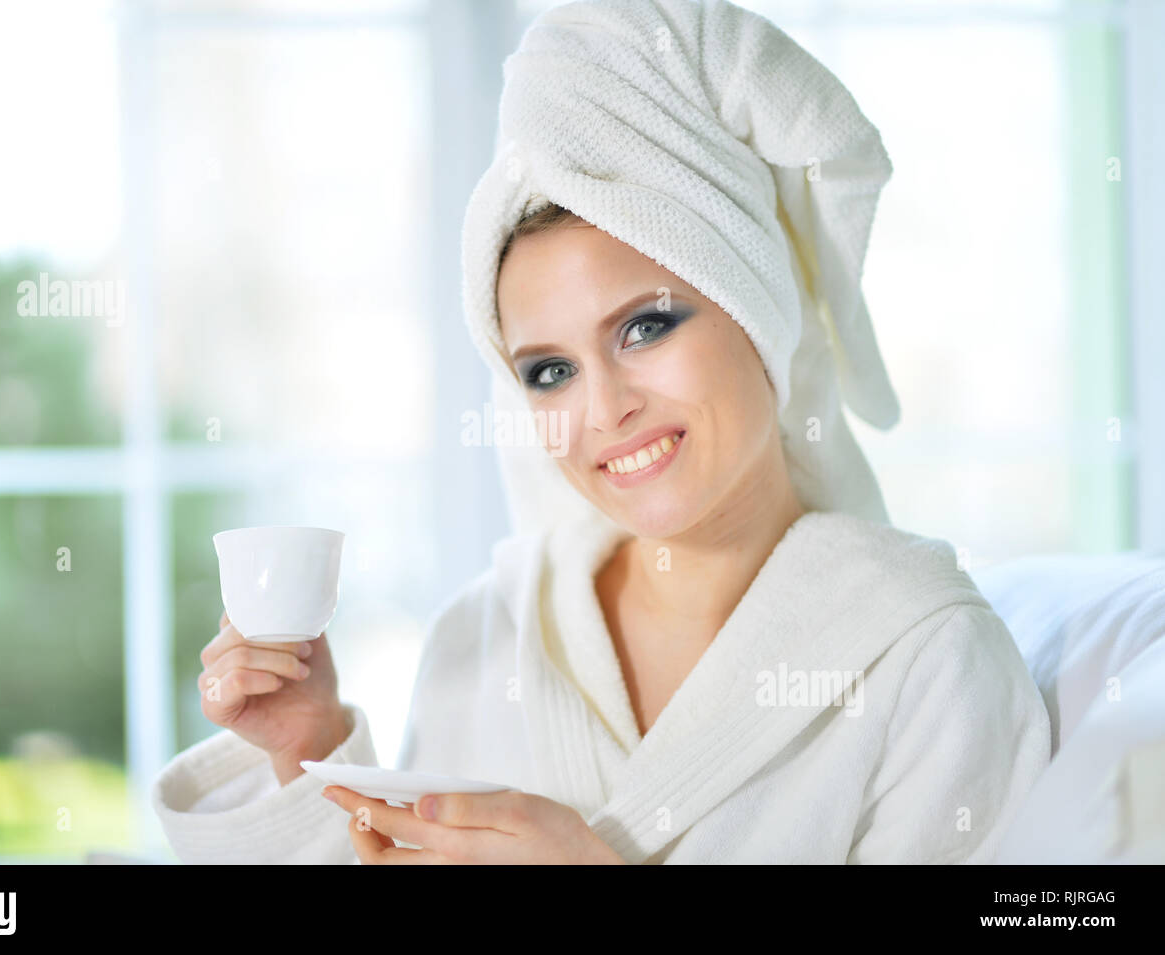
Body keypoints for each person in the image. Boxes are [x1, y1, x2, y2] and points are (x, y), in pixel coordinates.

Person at [151, 0, 1051, 864]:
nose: (605, 407)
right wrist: (307, 746)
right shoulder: (486, 637)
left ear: (756, 308)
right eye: (550, 371)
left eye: (647, 326)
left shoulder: (930, 659)